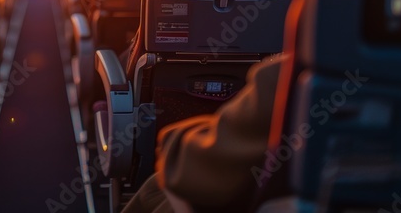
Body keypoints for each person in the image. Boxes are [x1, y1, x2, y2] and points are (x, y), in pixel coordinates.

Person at [122, 54, 287, 213]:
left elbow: (188, 166)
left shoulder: (282, 80)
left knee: (155, 190)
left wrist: (174, 140)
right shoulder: (299, 81)